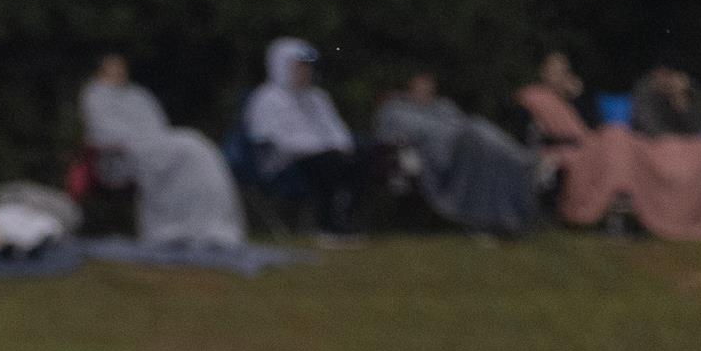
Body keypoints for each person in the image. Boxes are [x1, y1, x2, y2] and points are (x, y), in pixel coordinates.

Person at [515, 52, 701, 242]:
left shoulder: (689, 92)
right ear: (543, 73)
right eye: (554, 71)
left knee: (623, 140)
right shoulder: (534, 99)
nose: (560, 76)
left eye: (563, 71)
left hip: (607, 143)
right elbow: (562, 137)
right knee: (616, 139)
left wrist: (680, 100)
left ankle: (649, 210)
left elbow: (592, 126)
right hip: (581, 147)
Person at [81, 54, 245, 247]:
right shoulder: (96, 95)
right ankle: (178, 226)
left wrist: (153, 141)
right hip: (122, 155)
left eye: (121, 67)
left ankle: (205, 225)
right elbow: (102, 133)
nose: (119, 72)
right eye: (113, 67)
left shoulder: (138, 95)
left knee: (194, 147)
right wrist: (138, 143)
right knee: (188, 146)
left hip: (154, 145)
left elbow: (158, 125)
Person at [372, 72, 542, 237]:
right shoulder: (397, 110)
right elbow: (390, 135)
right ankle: (521, 160)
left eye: (428, 85)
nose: (425, 89)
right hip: (452, 151)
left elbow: (460, 122)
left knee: (480, 129)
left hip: (467, 142)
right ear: (410, 87)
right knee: (477, 135)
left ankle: (517, 164)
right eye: (420, 85)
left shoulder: (442, 106)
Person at [244, 37, 362, 239]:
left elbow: (336, 129)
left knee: (361, 158)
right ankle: (327, 225)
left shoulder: (317, 97)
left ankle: (344, 218)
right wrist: (319, 148)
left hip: (321, 157)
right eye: (299, 66)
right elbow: (269, 139)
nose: (305, 72)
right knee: (325, 163)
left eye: (307, 67)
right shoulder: (266, 98)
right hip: (284, 165)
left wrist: (342, 146)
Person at [632, 66, 701, 138]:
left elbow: (695, 128)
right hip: (649, 139)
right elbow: (649, 126)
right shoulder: (646, 92)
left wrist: (679, 98)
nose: (665, 80)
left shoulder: (690, 93)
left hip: (680, 140)